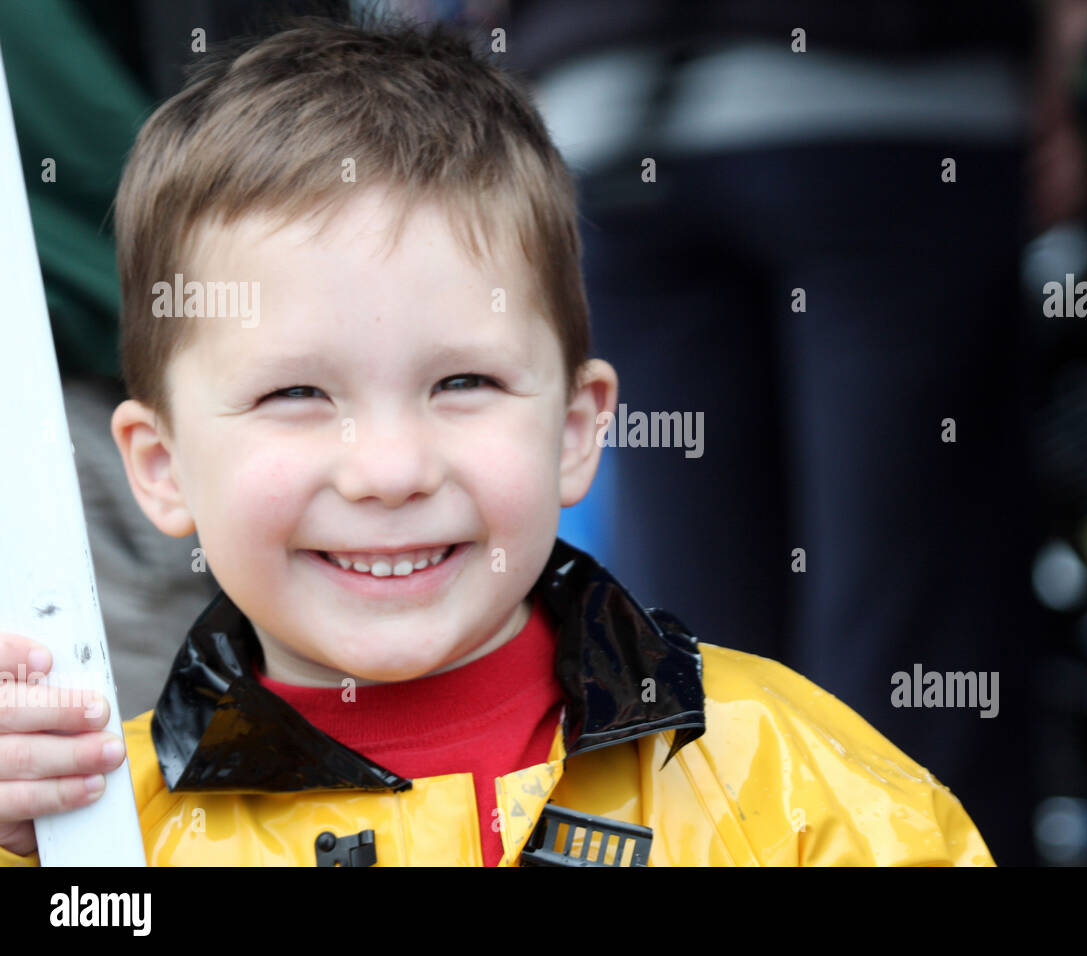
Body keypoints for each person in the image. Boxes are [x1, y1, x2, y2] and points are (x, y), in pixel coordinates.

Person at [0, 16, 991, 867]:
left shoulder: (790, 777)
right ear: (161, 467)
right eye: (296, 393)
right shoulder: (92, 832)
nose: (390, 470)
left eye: (461, 383)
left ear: (574, 430)